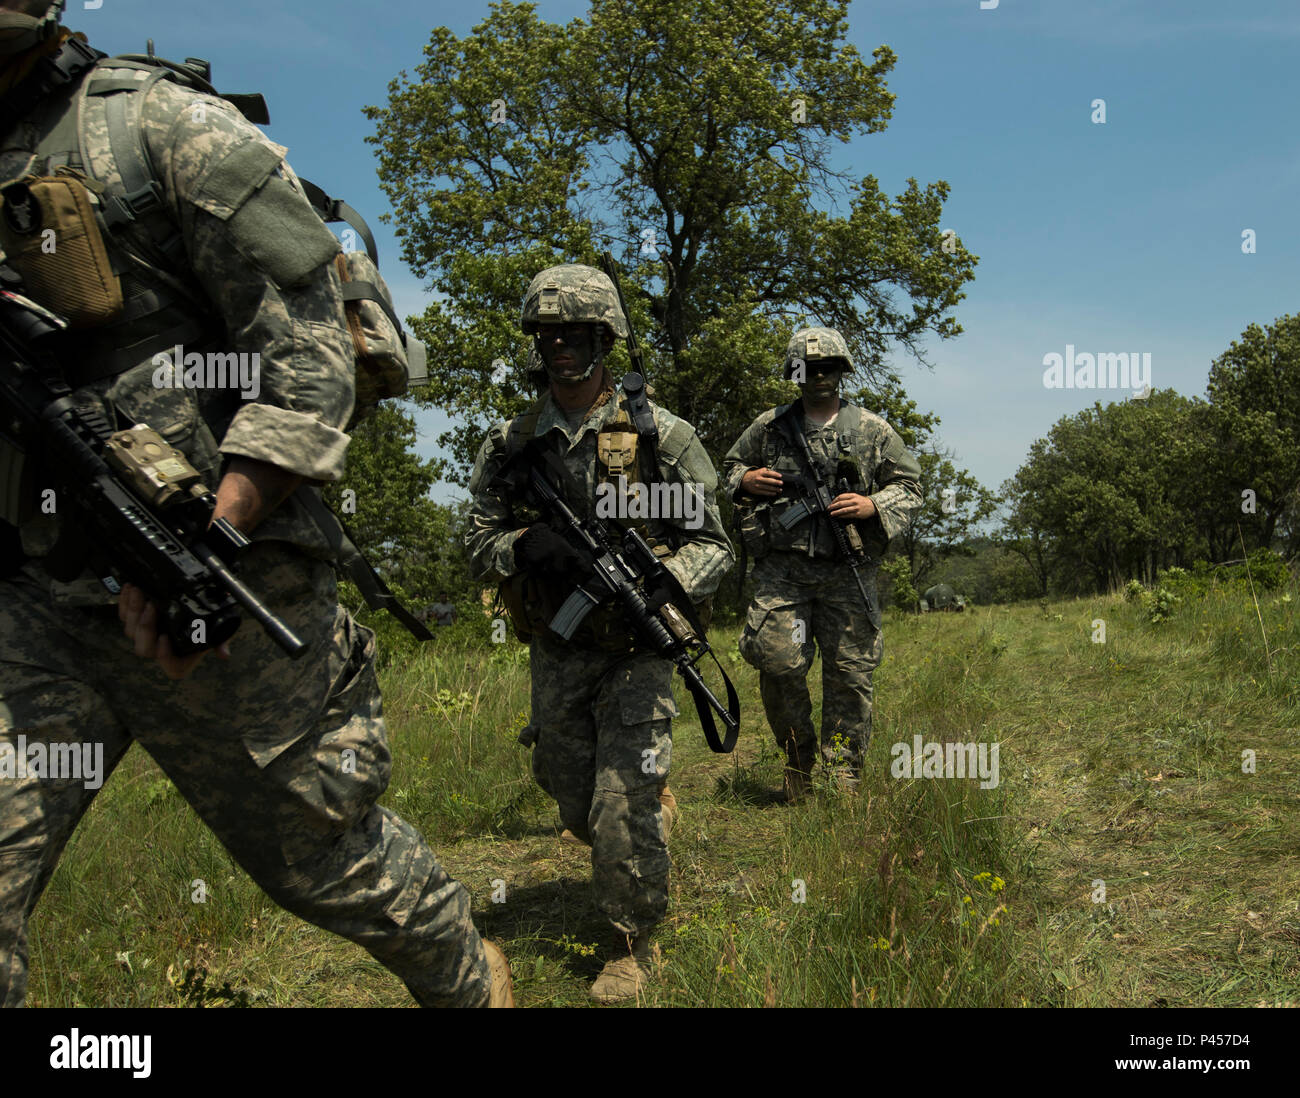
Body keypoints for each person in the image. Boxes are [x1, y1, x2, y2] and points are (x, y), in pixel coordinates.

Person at [0, 0, 510, 1007]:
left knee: (324, 859)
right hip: (34, 605)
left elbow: (311, 357)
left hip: (220, 579)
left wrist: (210, 538)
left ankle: (466, 981)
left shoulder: (159, 129)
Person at [465, 263, 732, 1002]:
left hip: (638, 645)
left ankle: (628, 941)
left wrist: (666, 580)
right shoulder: (517, 442)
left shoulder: (658, 435)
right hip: (558, 641)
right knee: (569, 790)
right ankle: (647, 812)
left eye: (576, 333)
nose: (561, 347)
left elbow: (714, 542)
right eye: (549, 335)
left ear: (604, 337)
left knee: (620, 803)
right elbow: (475, 534)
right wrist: (522, 548)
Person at [724, 326, 922, 800]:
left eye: (828, 368)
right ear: (794, 373)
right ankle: (798, 759)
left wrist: (873, 506)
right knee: (778, 664)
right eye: (807, 369)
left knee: (850, 673)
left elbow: (912, 487)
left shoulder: (873, 429)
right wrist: (748, 478)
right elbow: (727, 470)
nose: (818, 377)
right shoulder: (770, 425)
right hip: (783, 574)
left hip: (847, 571)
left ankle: (842, 774)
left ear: (842, 370)